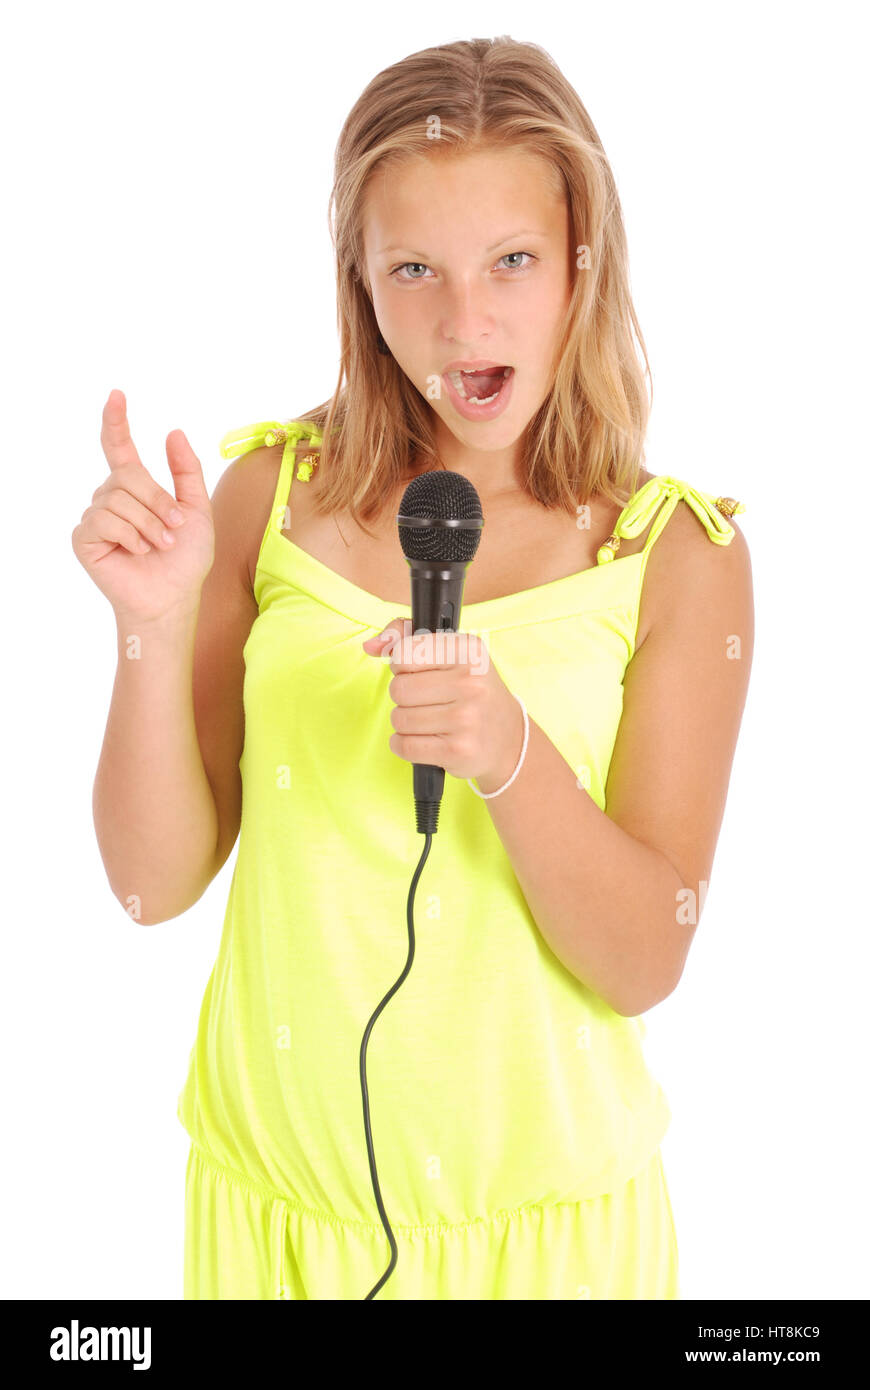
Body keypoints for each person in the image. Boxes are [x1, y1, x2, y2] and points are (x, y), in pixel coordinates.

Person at [73, 36, 754, 1300]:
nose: (466, 319)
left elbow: (647, 957)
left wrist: (507, 754)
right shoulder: (267, 497)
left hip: (548, 1249)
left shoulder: (678, 557)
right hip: (275, 1224)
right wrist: (152, 630)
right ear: (359, 282)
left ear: (579, 265)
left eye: (513, 261)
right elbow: (147, 887)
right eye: (413, 270)